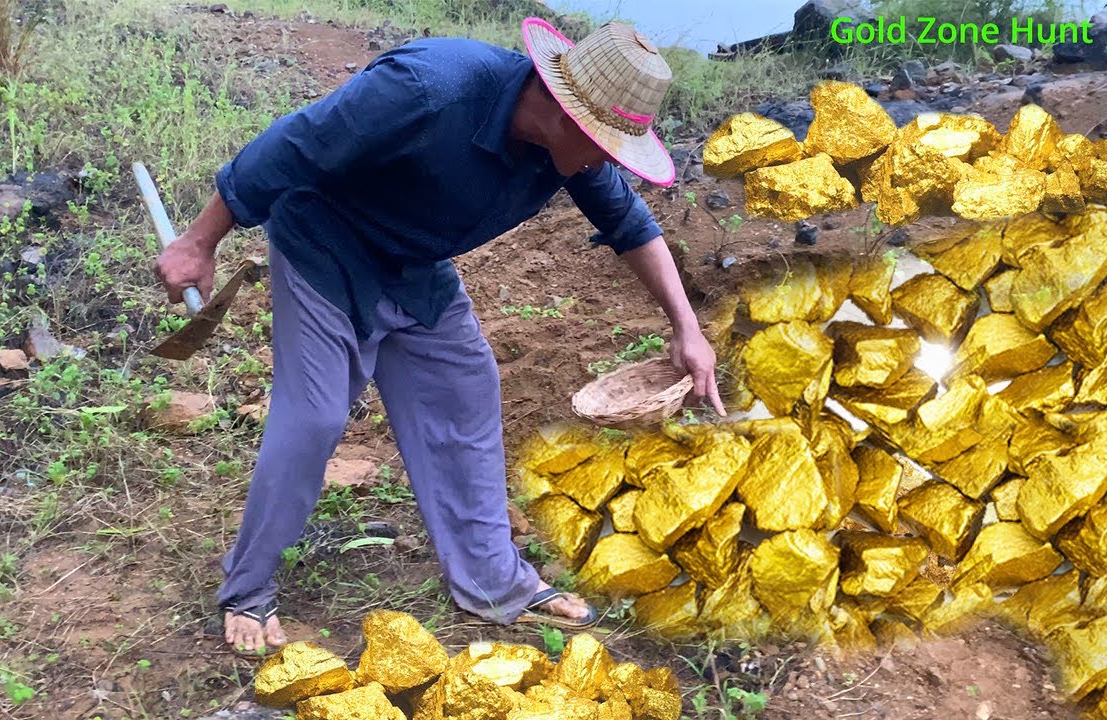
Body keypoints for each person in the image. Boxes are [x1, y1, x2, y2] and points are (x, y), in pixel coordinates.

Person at [155, 17, 726, 657]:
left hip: (415, 267)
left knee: (465, 390)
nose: (606, 162)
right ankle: (248, 589)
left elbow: (630, 225)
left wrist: (687, 328)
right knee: (314, 415)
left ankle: (492, 583)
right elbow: (293, 146)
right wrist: (199, 241)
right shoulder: (429, 88)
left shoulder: (570, 155)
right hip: (325, 245)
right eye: (604, 145)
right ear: (568, 114)